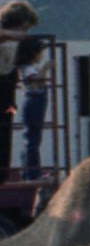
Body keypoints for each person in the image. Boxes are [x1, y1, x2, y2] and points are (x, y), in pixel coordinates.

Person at [0, 0, 40, 182]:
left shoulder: (16, 43)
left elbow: (26, 62)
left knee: (3, 139)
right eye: (23, 28)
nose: (25, 33)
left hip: (5, 95)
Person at [15, 36, 48, 181]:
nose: (42, 55)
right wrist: (46, 68)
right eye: (40, 52)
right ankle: (32, 173)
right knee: (32, 139)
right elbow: (36, 82)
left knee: (32, 138)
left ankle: (30, 171)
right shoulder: (29, 68)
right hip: (34, 101)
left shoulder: (29, 67)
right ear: (34, 53)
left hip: (35, 101)